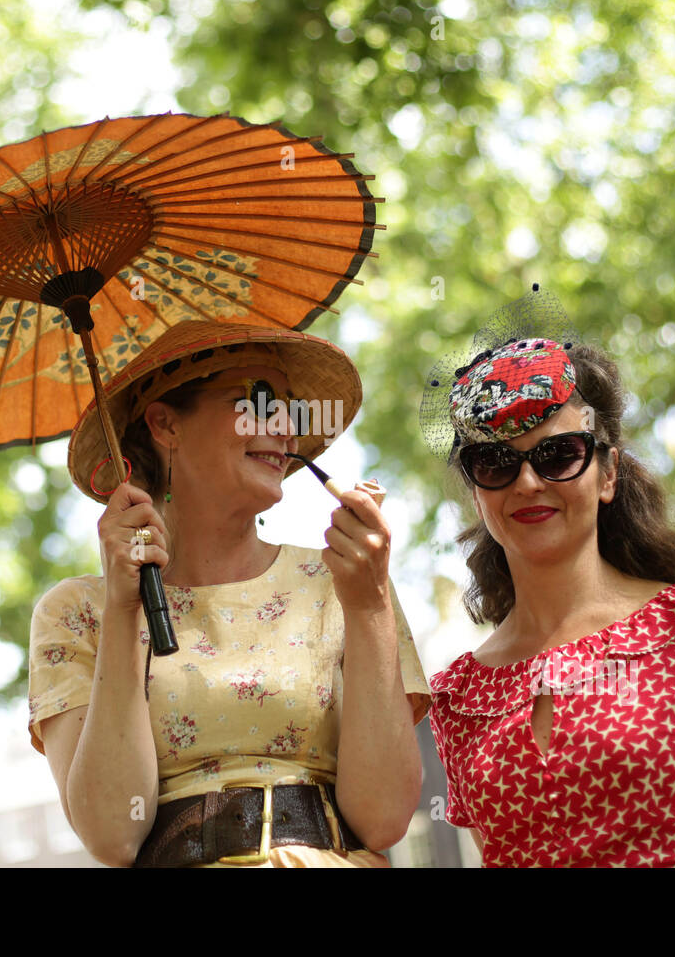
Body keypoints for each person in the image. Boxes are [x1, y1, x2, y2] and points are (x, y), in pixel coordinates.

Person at [422, 298, 675, 867]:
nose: (529, 481)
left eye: (559, 454)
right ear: (475, 490)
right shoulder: (459, 699)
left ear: (607, 472)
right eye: (495, 463)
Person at [28, 321, 430, 867]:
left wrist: (370, 605)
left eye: (293, 409)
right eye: (259, 401)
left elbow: (383, 817)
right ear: (166, 423)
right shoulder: (78, 613)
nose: (286, 426)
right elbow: (112, 836)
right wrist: (126, 611)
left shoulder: (348, 580)